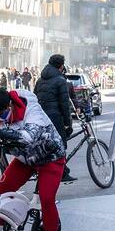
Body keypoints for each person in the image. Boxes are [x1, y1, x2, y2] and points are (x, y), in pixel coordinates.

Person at [0, 87, 67, 231]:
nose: (0, 118)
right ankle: (3, 228)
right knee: (3, 188)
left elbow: (27, 137)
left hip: (50, 157)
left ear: (10, 105)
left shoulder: (32, 111)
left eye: (3, 113)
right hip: (25, 159)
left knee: (46, 197)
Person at [35, 54, 75, 183]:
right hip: (55, 116)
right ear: (61, 66)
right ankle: (61, 172)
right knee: (60, 144)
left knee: (47, 145)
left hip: (41, 117)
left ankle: (60, 170)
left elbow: (35, 98)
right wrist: (68, 123)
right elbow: (64, 104)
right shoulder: (60, 80)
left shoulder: (40, 80)